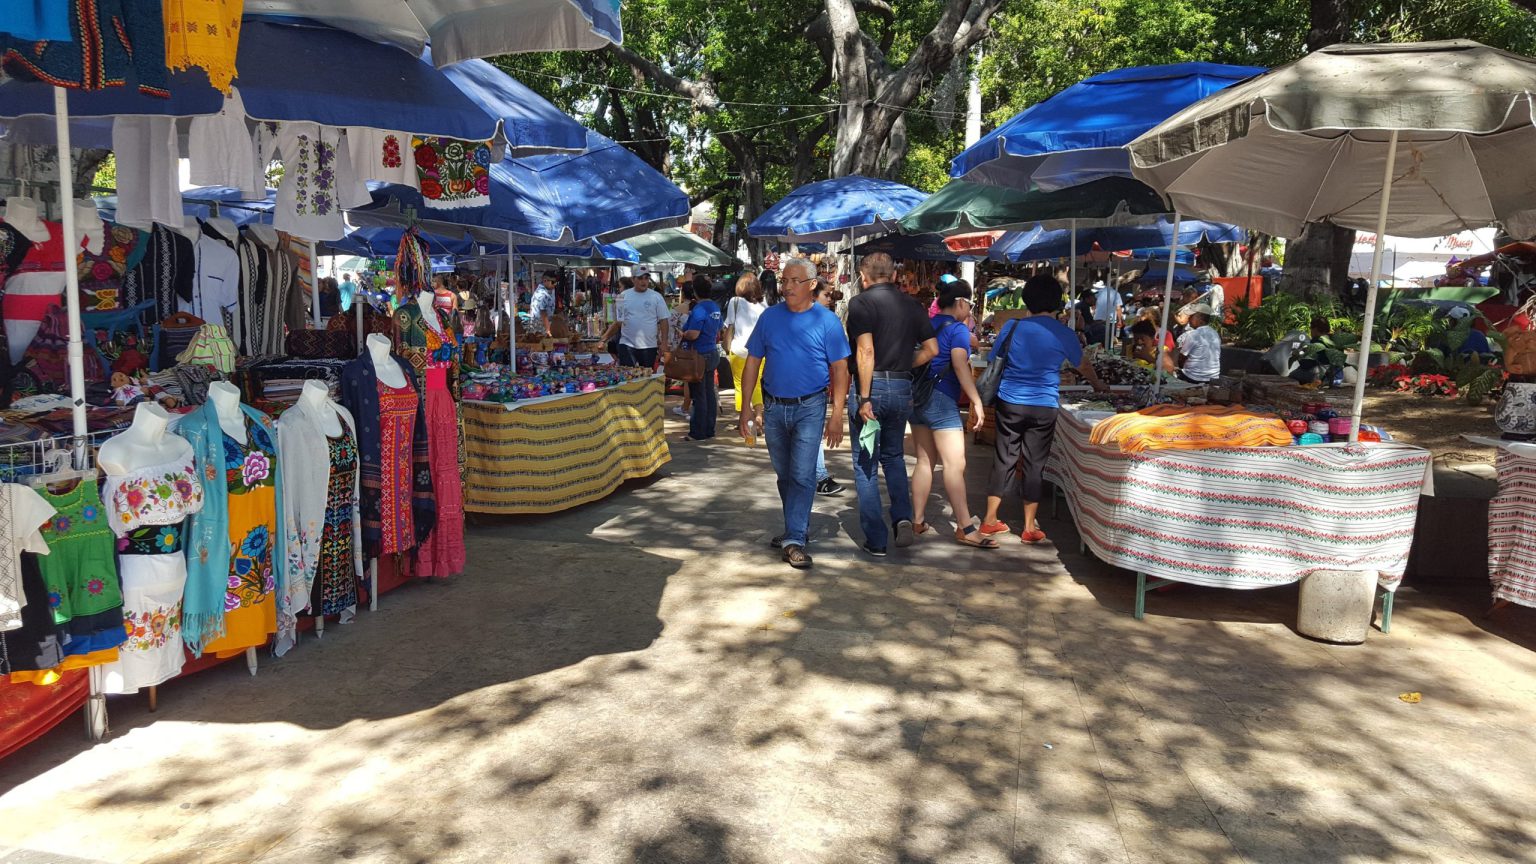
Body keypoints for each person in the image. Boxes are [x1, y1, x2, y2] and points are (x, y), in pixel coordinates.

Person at [738, 257, 850, 570]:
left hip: (810, 407)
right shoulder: (769, 318)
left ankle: (794, 538)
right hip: (773, 407)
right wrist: (746, 406)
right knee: (785, 474)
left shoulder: (827, 322)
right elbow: (752, 363)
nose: (786, 287)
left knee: (802, 474)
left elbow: (840, 368)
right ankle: (794, 527)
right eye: (784, 280)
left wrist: (837, 413)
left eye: (794, 281)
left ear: (812, 285)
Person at [980, 275, 1107, 544]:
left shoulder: (1012, 327)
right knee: (1034, 464)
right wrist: (1097, 384)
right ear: (1057, 302)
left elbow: (993, 359)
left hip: (1010, 401)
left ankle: (989, 520)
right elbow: (1082, 364)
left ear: (1027, 299)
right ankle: (1028, 527)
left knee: (1005, 458)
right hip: (1044, 405)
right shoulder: (1063, 333)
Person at [845, 251, 938, 556]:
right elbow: (932, 348)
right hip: (901, 385)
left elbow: (866, 352)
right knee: (894, 457)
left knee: (866, 465)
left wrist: (866, 396)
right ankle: (902, 516)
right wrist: (906, 365)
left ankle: (876, 538)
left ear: (863, 276)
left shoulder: (861, 303)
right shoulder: (913, 305)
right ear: (895, 276)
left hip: (870, 386)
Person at [910, 280, 996, 549]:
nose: (969, 310)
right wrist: (977, 401)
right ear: (960, 302)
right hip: (942, 400)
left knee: (924, 461)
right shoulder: (957, 329)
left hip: (916, 398)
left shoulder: (926, 324)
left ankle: (917, 519)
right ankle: (965, 527)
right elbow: (960, 366)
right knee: (954, 465)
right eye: (970, 305)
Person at [680, 275, 723, 441]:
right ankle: (709, 429)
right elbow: (719, 329)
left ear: (695, 291)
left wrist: (683, 333)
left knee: (699, 395)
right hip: (712, 352)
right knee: (709, 392)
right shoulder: (715, 307)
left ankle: (697, 432)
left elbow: (693, 334)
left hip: (698, 355)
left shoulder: (699, 309)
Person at [601, 266, 670, 368]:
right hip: (627, 344)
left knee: (646, 378)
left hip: (649, 346)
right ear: (633, 279)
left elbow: (664, 321)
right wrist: (604, 339)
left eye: (646, 278)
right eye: (640, 278)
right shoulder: (622, 296)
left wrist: (664, 342)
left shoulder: (656, 297)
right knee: (628, 376)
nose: (644, 281)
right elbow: (618, 323)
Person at [722, 272, 768, 418]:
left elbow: (730, 325)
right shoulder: (764, 303)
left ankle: (745, 417)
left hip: (738, 348)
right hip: (760, 351)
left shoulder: (735, 301)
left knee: (740, 384)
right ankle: (759, 415)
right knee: (757, 384)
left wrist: (726, 344)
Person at [666, 284, 695, 418]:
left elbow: (670, 329)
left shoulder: (677, 310)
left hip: (684, 349)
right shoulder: (701, 309)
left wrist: (670, 347)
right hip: (702, 347)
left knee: (688, 379)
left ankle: (685, 406)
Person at [1176, 303, 1222, 383]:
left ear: (1200, 318)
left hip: (1193, 377)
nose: (1189, 319)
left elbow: (1181, 358)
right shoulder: (1215, 333)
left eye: (1191, 316)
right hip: (1213, 377)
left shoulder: (1194, 334)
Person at [530, 270, 558, 337]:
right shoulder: (541, 294)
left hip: (545, 326)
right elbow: (543, 313)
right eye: (553, 282)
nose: (555, 284)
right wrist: (548, 331)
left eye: (556, 282)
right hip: (540, 329)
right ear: (545, 281)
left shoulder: (549, 291)